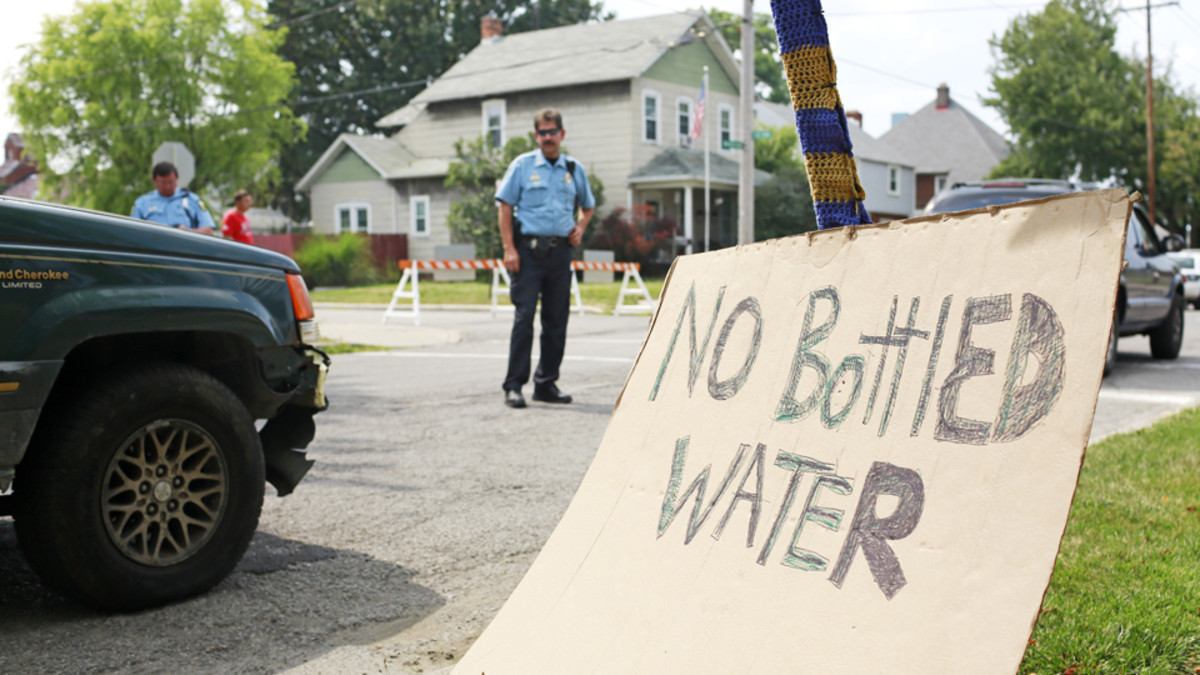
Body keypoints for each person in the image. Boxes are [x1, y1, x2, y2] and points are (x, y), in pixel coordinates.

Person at [496, 108, 595, 409]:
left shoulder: (574, 169)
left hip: (560, 253)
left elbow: (588, 206)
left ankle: (546, 383)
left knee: (556, 320)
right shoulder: (523, 166)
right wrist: (509, 248)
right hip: (527, 253)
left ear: (561, 134)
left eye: (553, 131)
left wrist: (580, 228)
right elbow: (504, 207)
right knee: (524, 318)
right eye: (543, 132)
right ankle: (514, 386)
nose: (548, 137)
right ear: (536, 135)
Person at [131, 161, 217, 235]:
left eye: (171, 182)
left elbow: (209, 230)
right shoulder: (142, 203)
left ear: (177, 178)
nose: (167, 187)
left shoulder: (191, 200)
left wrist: (187, 232)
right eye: (162, 183)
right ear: (154, 180)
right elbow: (132, 232)